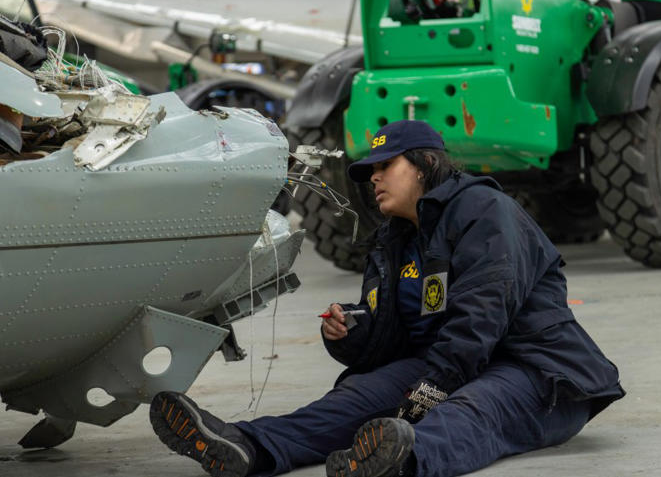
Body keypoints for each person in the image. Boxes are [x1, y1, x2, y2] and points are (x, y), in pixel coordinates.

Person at [149, 120, 625, 477]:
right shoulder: (395, 239)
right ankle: (248, 447)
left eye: (386, 166)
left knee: (472, 410)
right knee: (358, 397)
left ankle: (401, 459)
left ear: (425, 165)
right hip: (450, 363)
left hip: (539, 372)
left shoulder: (485, 211)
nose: (373, 179)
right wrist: (349, 331)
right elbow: (390, 332)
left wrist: (432, 389)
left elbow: (483, 313)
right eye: (370, 170)